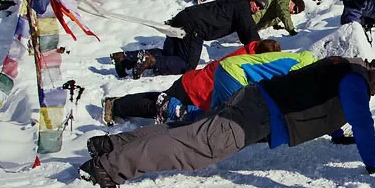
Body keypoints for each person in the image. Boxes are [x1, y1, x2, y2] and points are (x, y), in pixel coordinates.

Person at [79, 56, 375, 188]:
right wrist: (373, 163)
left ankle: (112, 145)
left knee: (191, 130)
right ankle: (110, 167)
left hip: (257, 102)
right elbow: (359, 119)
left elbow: (324, 102)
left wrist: (336, 134)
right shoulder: (357, 80)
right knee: (197, 146)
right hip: (261, 114)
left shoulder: (347, 69)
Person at [101, 39, 282, 126]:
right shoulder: (247, 61)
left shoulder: (249, 53)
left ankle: (120, 103)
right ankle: (115, 105)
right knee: (156, 106)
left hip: (195, 85)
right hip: (194, 89)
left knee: (158, 101)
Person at [111, 0, 267, 79]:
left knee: (168, 54)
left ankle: (125, 58)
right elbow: (248, 30)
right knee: (187, 64)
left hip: (184, 17)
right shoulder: (242, 6)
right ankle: (150, 62)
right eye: (257, 5)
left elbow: (244, 30)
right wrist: (262, 51)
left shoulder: (236, 2)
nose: (257, 9)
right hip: (195, 26)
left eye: (261, 8)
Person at [168, 48, 317, 123]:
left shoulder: (297, 60)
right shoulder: (299, 69)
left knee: (216, 115)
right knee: (241, 119)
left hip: (226, 69)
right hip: (234, 74)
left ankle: (180, 111)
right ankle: (176, 109)